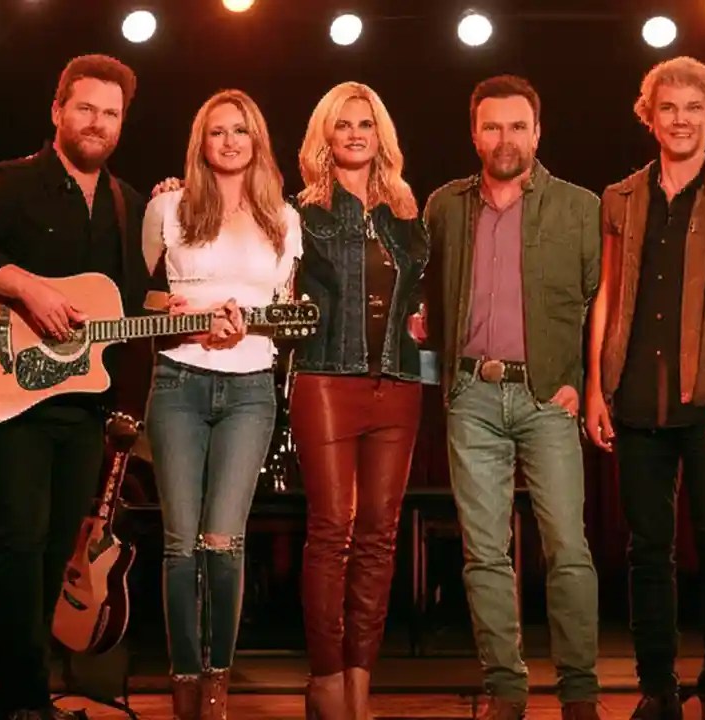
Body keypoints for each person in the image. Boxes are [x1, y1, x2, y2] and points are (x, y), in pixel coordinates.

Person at [0, 54, 149, 720]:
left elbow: (131, 302)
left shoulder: (126, 203)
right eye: (85, 108)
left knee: (57, 549)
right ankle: (19, 702)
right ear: (57, 110)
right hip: (8, 396)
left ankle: (35, 697)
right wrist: (25, 288)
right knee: (18, 543)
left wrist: (205, 319)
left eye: (110, 114)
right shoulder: (11, 183)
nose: (96, 123)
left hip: (81, 404)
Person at [584, 57, 705, 720]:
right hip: (636, 397)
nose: (680, 119)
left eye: (693, 108)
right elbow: (607, 295)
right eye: (668, 108)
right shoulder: (621, 198)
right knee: (647, 553)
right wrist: (593, 387)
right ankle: (657, 687)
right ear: (650, 116)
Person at [422, 74, 602, 720]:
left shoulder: (581, 208)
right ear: (475, 133)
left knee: (568, 548)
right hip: (471, 393)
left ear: (538, 131)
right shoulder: (444, 205)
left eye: (518, 125)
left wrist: (580, 380)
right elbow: (423, 287)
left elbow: (599, 304)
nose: (506, 138)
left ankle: (579, 690)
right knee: (484, 553)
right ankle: (506, 688)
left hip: (547, 397)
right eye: (492, 126)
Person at [142, 88, 303, 720]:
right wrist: (172, 312)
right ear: (201, 143)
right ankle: (183, 682)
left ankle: (217, 684)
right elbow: (135, 299)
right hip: (178, 382)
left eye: (241, 130)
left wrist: (250, 325)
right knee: (181, 545)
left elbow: (286, 316)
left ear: (257, 140)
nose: (230, 141)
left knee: (222, 543)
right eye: (217, 132)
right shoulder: (167, 206)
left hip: (249, 389)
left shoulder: (283, 220)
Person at [287, 81, 429, 720]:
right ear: (325, 135)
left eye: (365, 124)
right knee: (332, 530)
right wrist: (171, 197)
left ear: (381, 135)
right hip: (324, 378)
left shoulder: (406, 211)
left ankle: (360, 683)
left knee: (379, 534)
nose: (353, 134)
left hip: (398, 383)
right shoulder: (299, 212)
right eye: (341, 125)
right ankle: (324, 679)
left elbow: (425, 296)